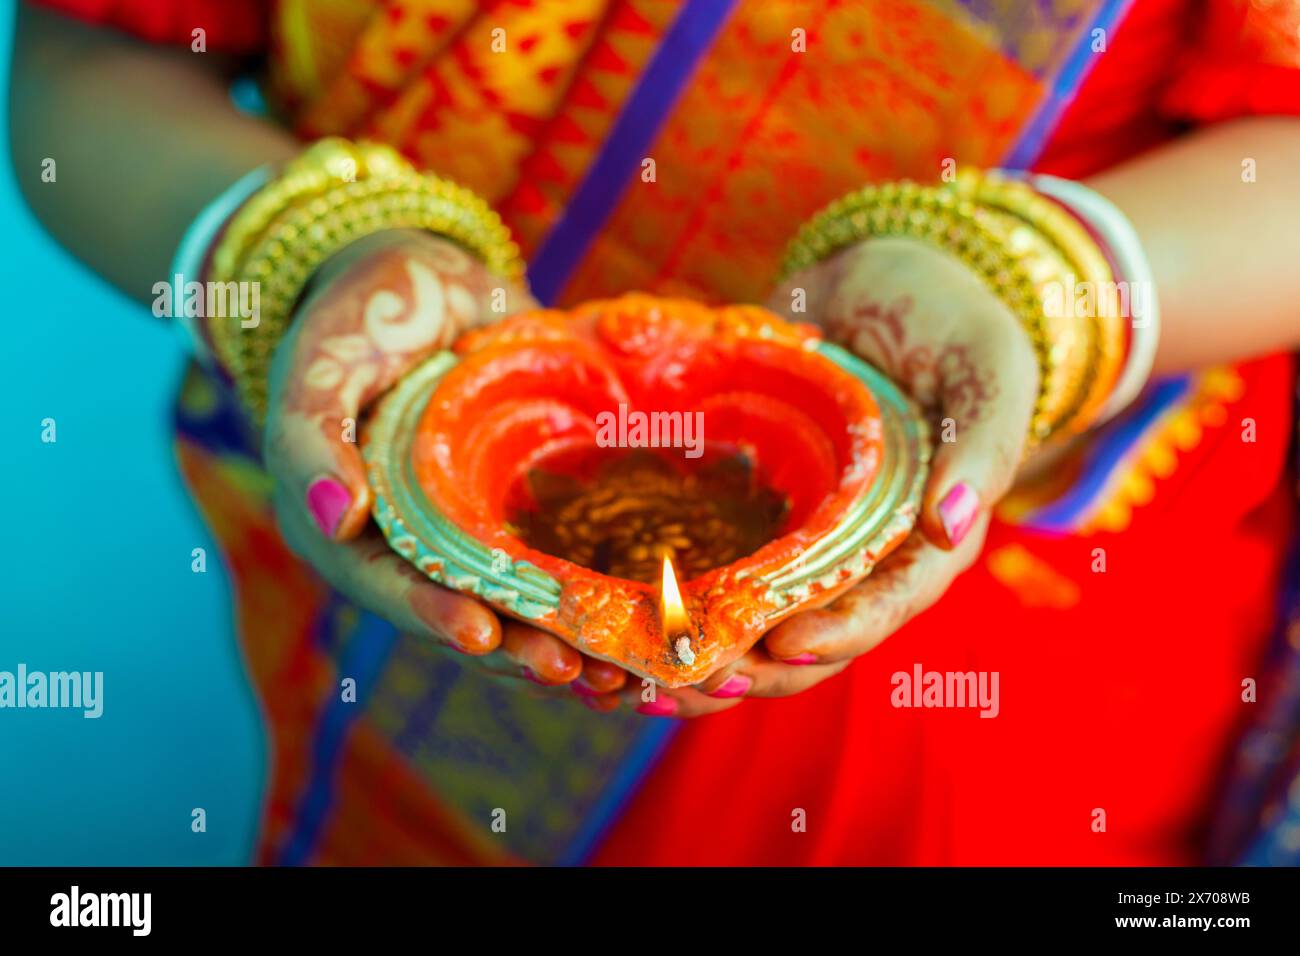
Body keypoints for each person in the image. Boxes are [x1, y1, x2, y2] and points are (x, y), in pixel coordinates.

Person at [11, 0, 1300, 865]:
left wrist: (1043, 289)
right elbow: (98, 52)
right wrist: (299, 258)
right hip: (405, 587)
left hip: (985, 681)